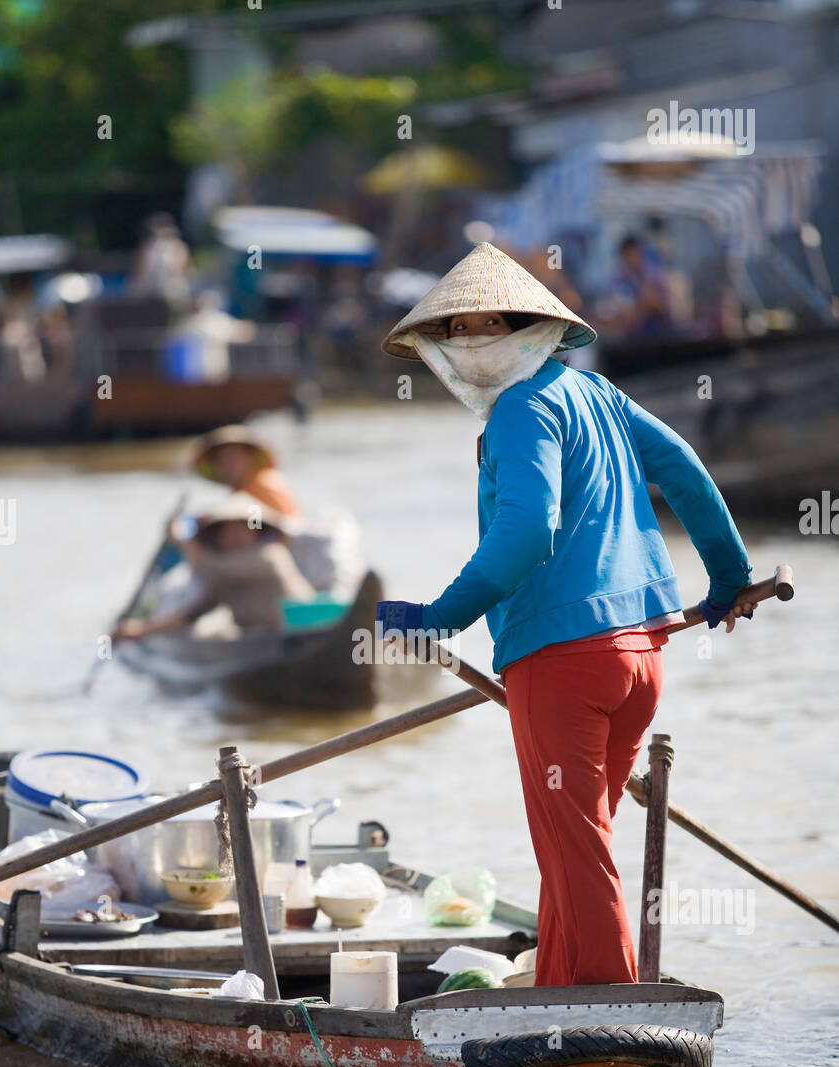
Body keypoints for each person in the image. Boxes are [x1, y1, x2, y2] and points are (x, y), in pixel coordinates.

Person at [376, 241, 755, 989]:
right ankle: (556, 991)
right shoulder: (595, 392)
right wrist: (728, 576)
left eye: (482, 328)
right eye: (453, 332)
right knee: (575, 846)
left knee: (576, 850)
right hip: (640, 657)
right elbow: (682, 467)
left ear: (521, 327)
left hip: (566, 661)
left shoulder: (521, 410)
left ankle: (608, 1014)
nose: (467, 345)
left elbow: (527, 531)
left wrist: (438, 618)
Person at [113, 493, 314, 641]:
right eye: (229, 531)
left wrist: (182, 540)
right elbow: (191, 614)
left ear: (256, 533)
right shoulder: (223, 578)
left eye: (243, 529)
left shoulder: (269, 556)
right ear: (218, 537)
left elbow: (207, 567)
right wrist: (141, 629)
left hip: (298, 633)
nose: (235, 537)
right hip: (259, 641)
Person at [191, 425, 301, 519]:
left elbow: (284, 524)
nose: (229, 465)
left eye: (234, 457)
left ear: (250, 458)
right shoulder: (239, 491)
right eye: (221, 460)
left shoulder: (264, 483)